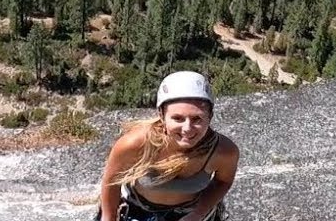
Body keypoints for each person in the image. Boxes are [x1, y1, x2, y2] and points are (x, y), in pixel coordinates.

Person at [95, 71, 239, 221]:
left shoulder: (223, 151)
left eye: (197, 119)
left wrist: (199, 213)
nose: (187, 128)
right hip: (137, 211)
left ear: (210, 116)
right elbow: (111, 182)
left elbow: (223, 182)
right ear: (161, 115)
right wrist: (109, 217)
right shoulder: (137, 144)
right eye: (178, 118)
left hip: (190, 214)